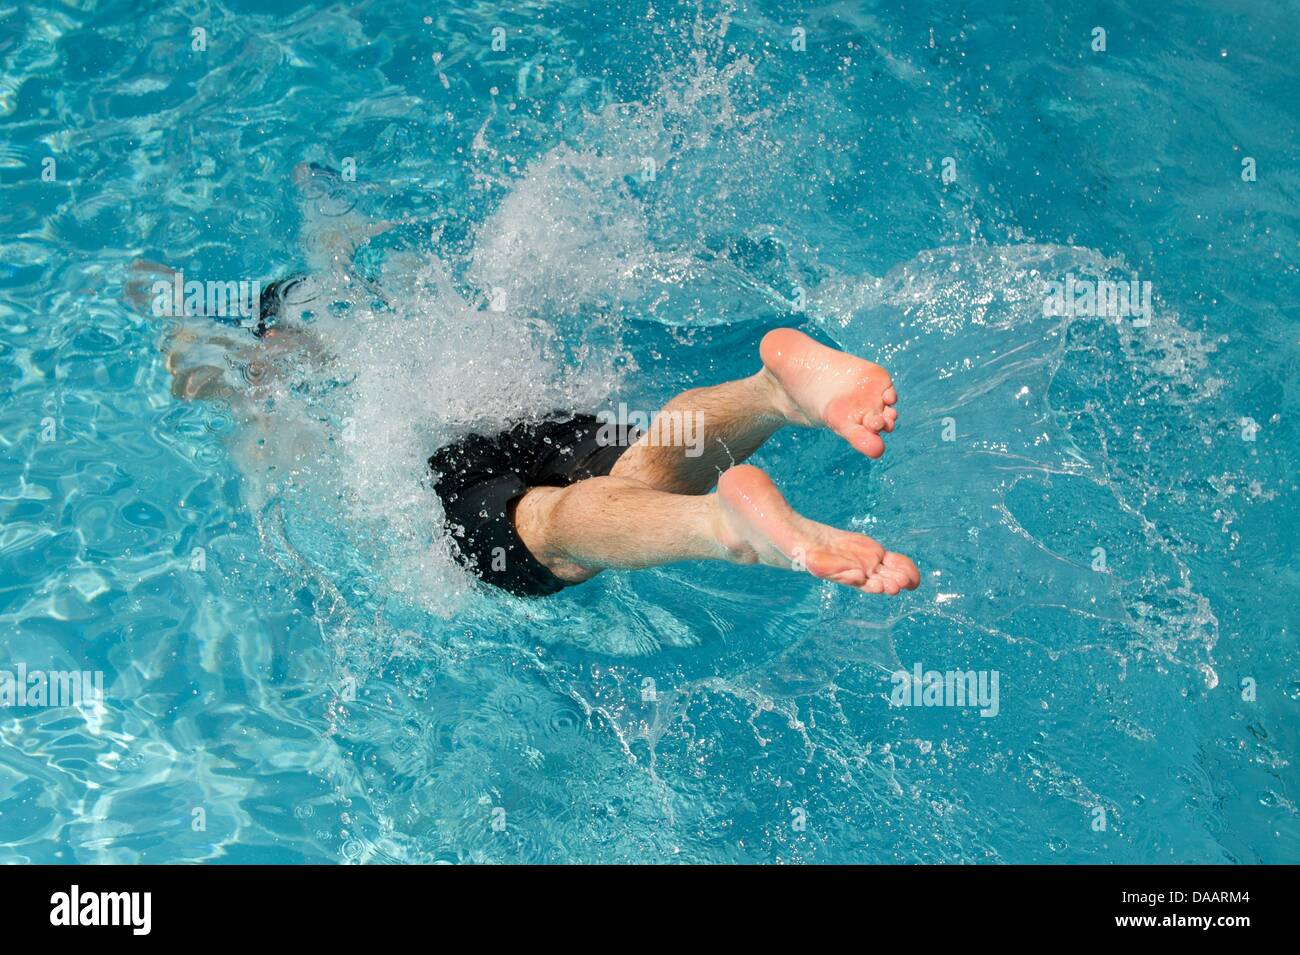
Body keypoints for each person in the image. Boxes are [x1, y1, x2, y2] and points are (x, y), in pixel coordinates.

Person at [429, 327, 920, 598]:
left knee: (546, 529)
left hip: (442, 462)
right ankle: (770, 393)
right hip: (536, 416)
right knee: (647, 465)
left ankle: (721, 526)